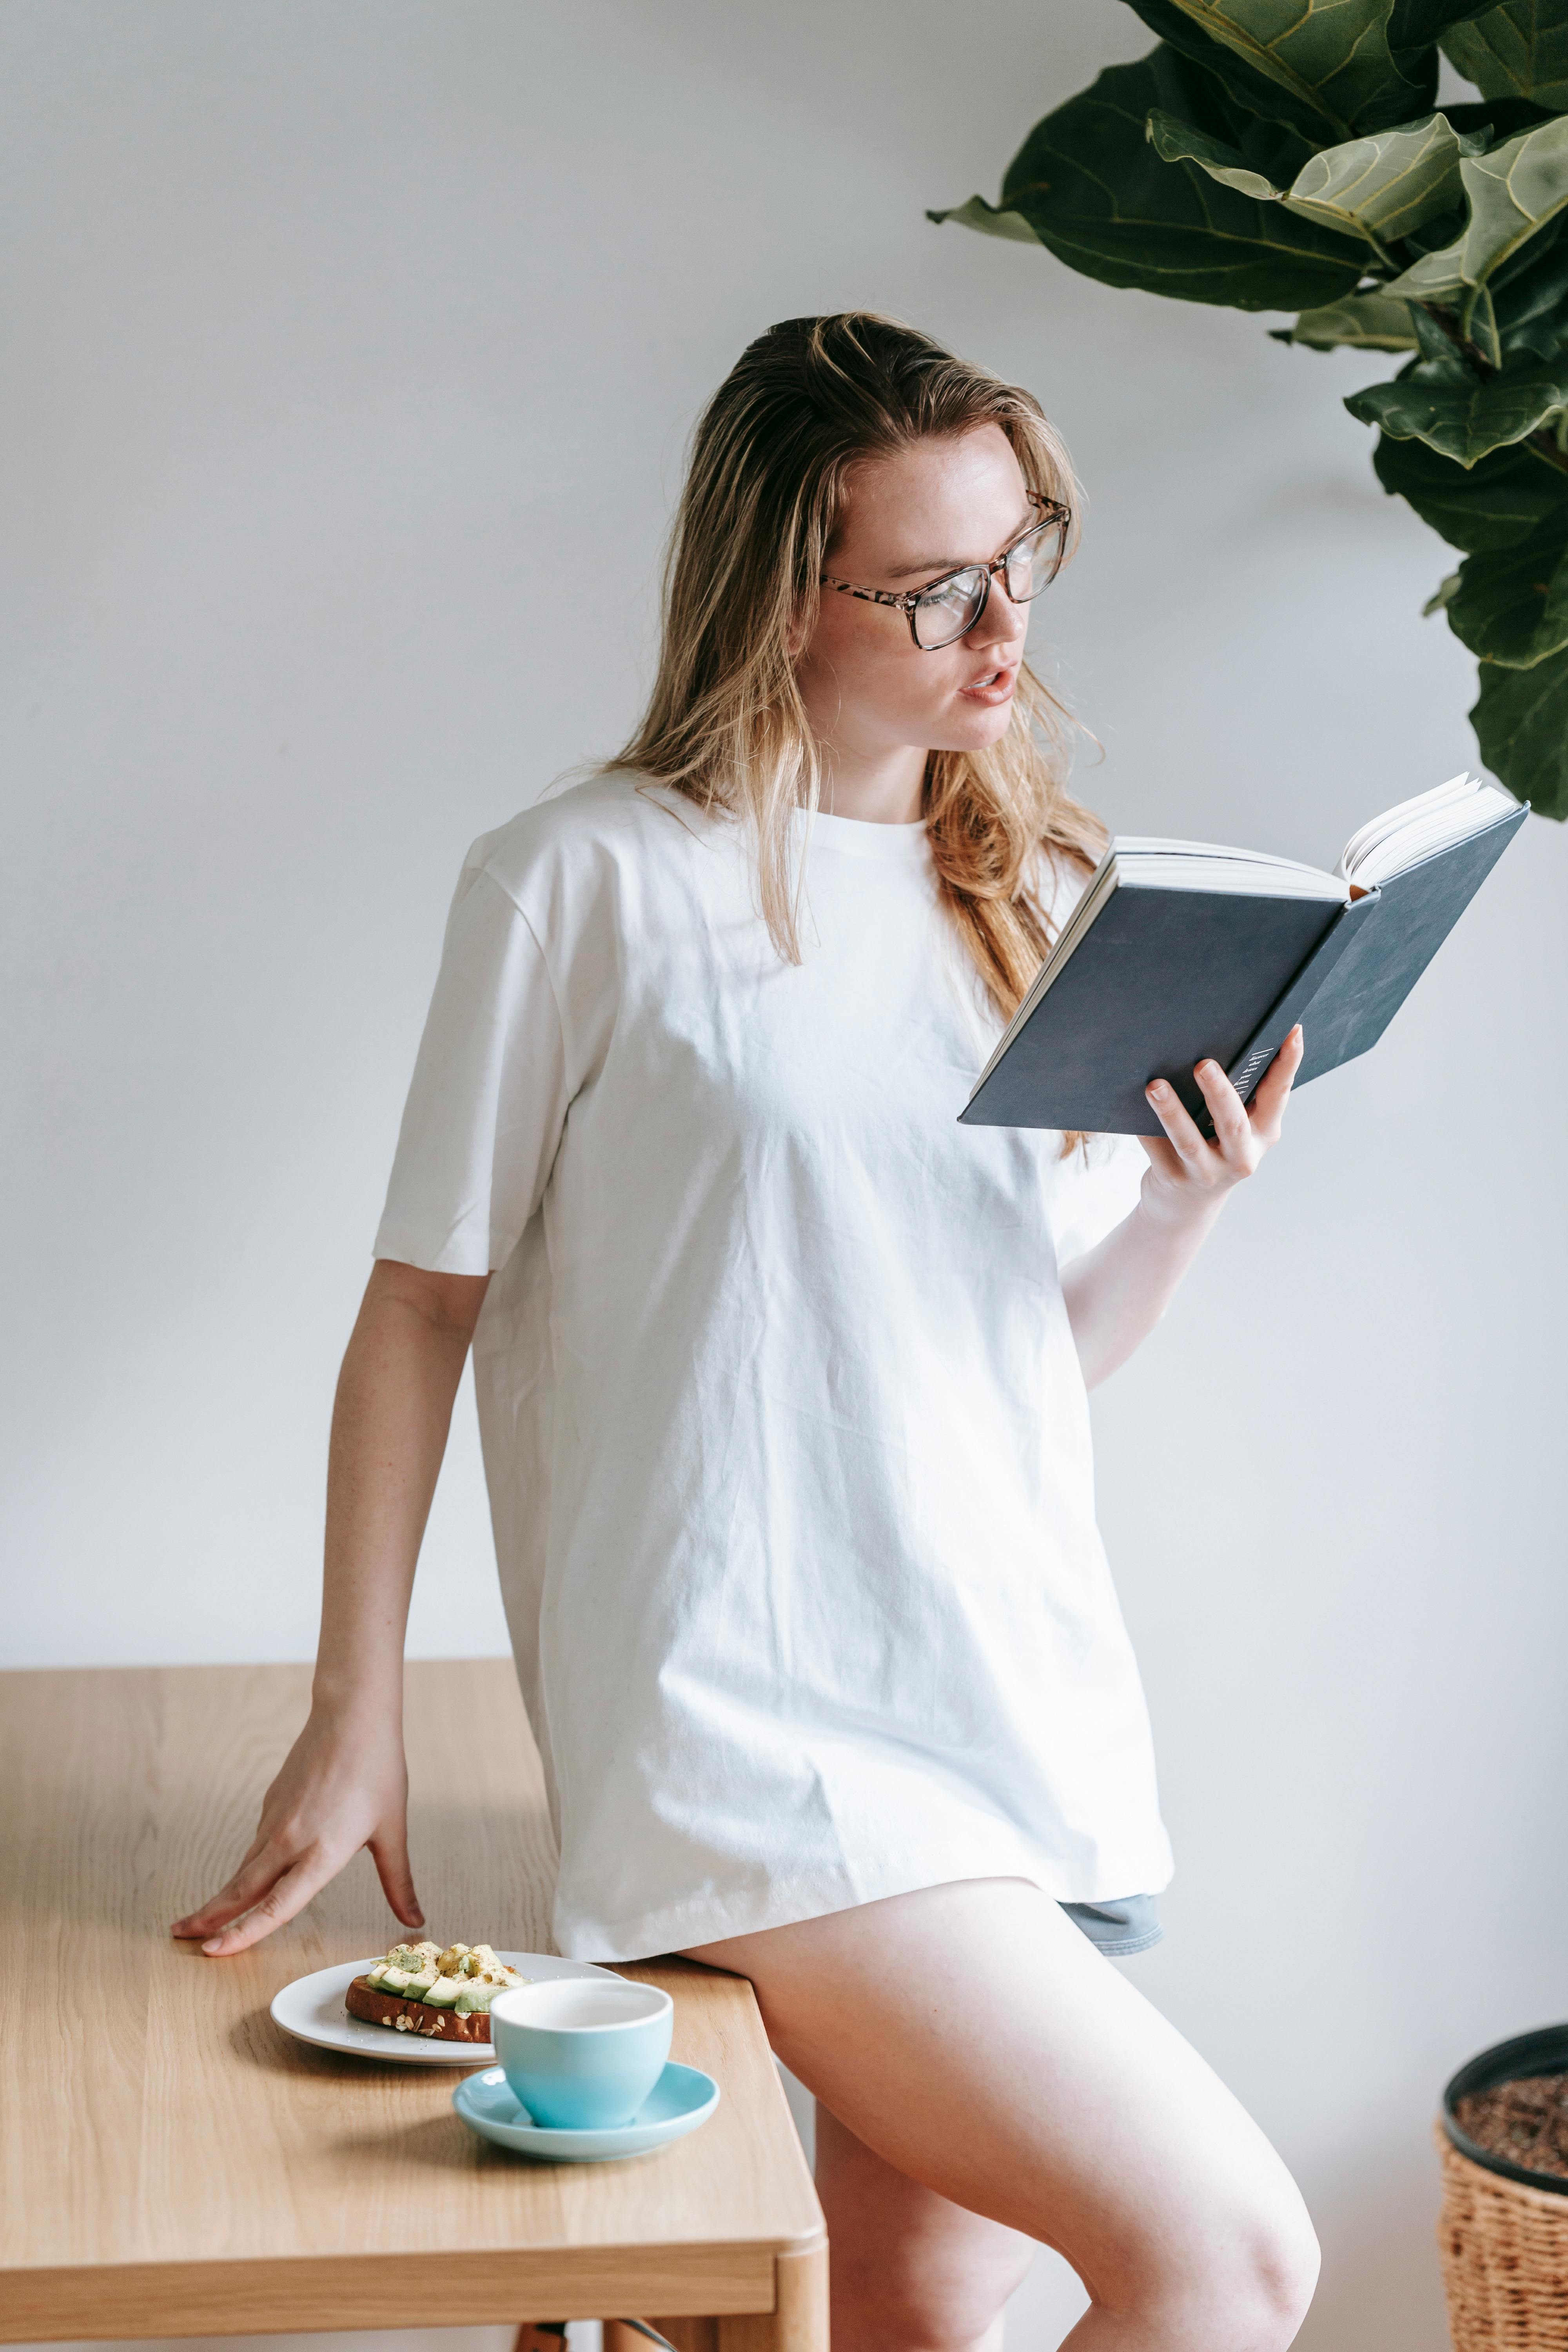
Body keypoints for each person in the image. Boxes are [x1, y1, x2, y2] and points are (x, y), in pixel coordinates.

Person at [173, 313, 1316, 2352]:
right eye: (938, 585)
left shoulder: (1030, 889)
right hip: (768, 1746)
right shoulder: (580, 884)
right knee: (1228, 2258)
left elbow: (1014, 1360)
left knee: (913, 2301)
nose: (1003, 627)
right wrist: (356, 1719)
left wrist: (1183, 1206)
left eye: (1023, 560)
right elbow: (419, 1311)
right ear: (785, 591)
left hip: (1007, 1700)